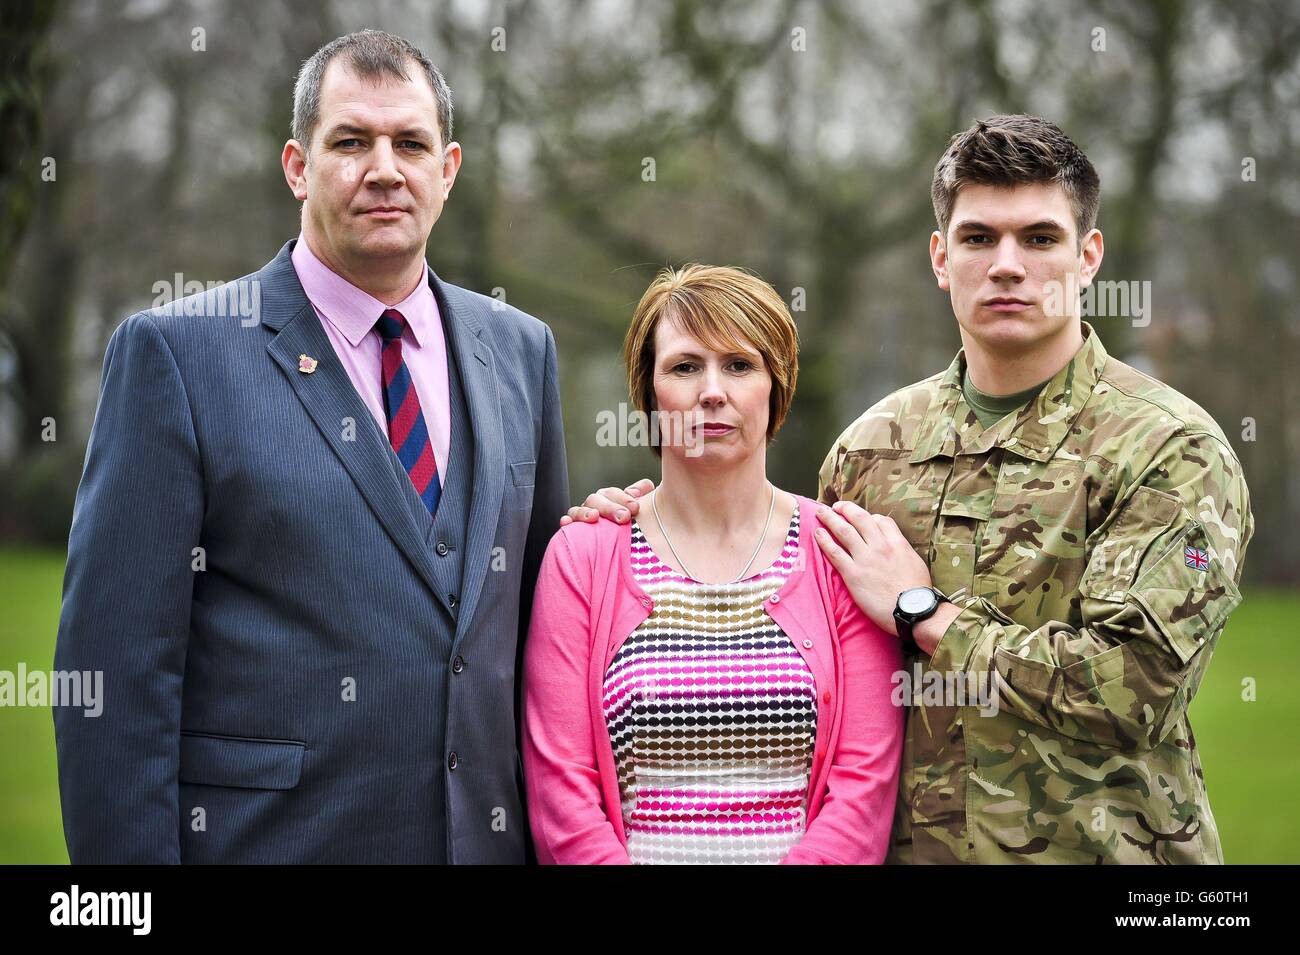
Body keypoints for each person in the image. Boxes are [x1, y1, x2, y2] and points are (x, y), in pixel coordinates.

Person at [567, 115, 1253, 864]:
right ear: (940, 256)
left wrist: (927, 617)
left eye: (1041, 238)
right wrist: (644, 522)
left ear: (1089, 257)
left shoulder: (1169, 448)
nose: (1008, 265)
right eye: (979, 238)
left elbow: (1135, 690)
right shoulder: (870, 451)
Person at [53, 29, 568, 863]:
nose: (385, 169)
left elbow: (541, 634)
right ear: (297, 165)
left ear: (450, 168)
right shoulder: (176, 355)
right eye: (351, 141)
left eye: (410, 143)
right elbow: (113, 681)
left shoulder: (520, 348)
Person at [524, 265, 904, 864]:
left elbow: (863, 784)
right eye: (683, 366)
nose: (712, 391)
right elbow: (561, 789)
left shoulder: (838, 552)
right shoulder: (583, 556)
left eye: (739, 364)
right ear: (649, 392)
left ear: (775, 387)